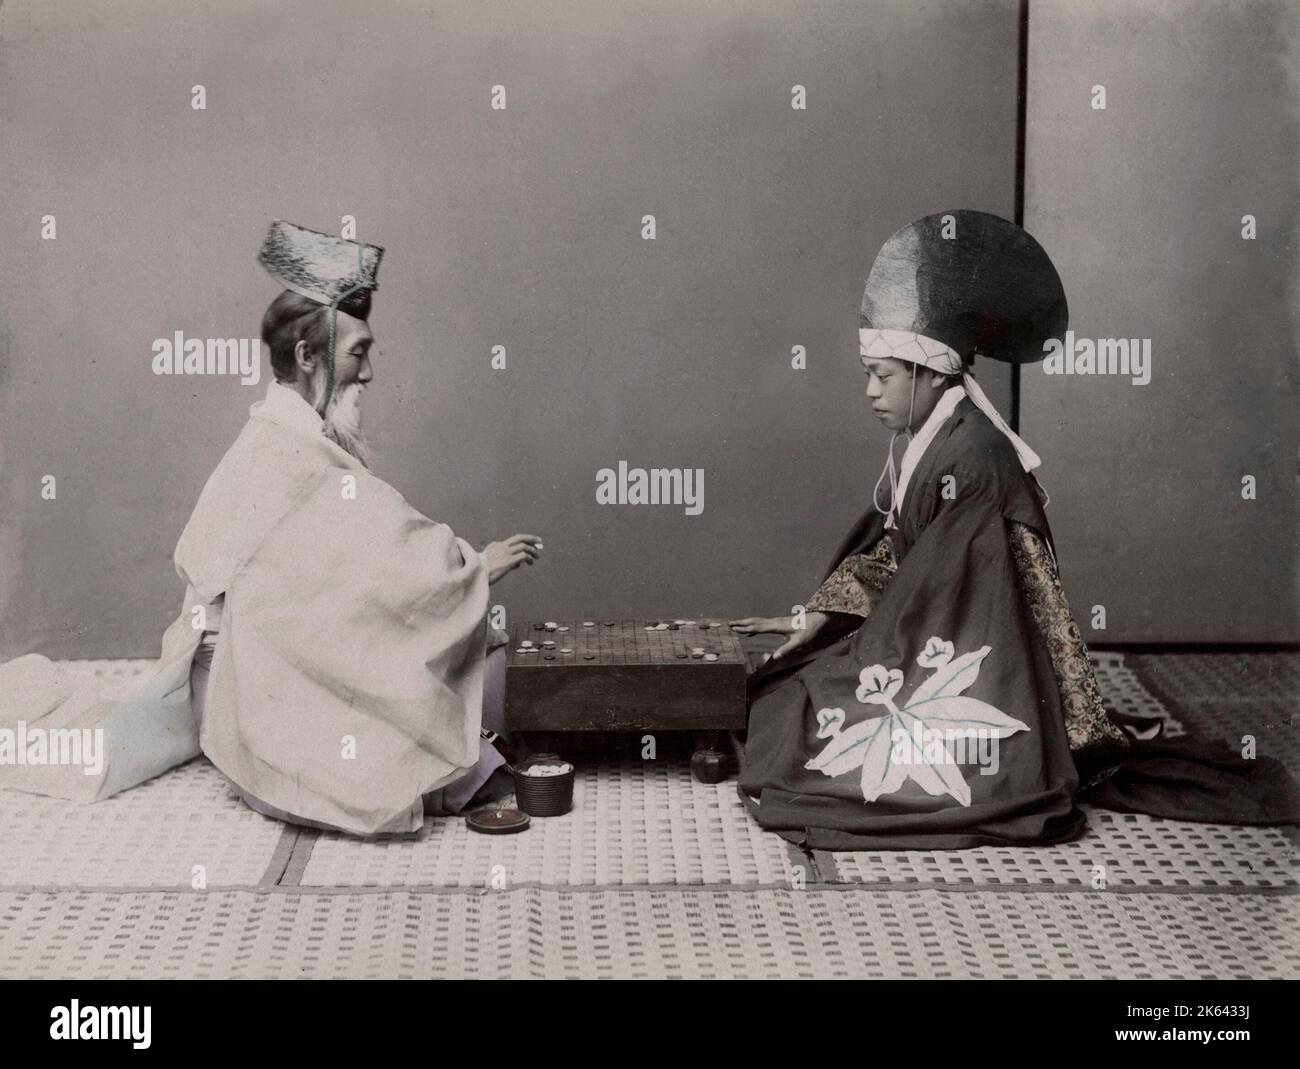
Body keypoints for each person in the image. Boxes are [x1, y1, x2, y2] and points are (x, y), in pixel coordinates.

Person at [0, 220, 542, 836]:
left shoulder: (292, 436)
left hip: (268, 662)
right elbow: (390, 558)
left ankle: (458, 755)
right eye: (358, 354)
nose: (368, 374)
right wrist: (476, 567)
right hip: (249, 680)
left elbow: (374, 554)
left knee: (392, 651)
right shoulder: (287, 453)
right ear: (308, 356)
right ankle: (452, 768)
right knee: (383, 732)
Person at [731, 210, 1129, 850]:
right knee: (785, 684)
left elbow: (945, 598)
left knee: (795, 720)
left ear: (931, 374)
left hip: (983, 645)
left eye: (883, 376)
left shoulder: (971, 457)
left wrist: (852, 651)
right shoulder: (936, 435)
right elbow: (900, 555)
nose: (869, 392)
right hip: (945, 616)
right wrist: (817, 616)